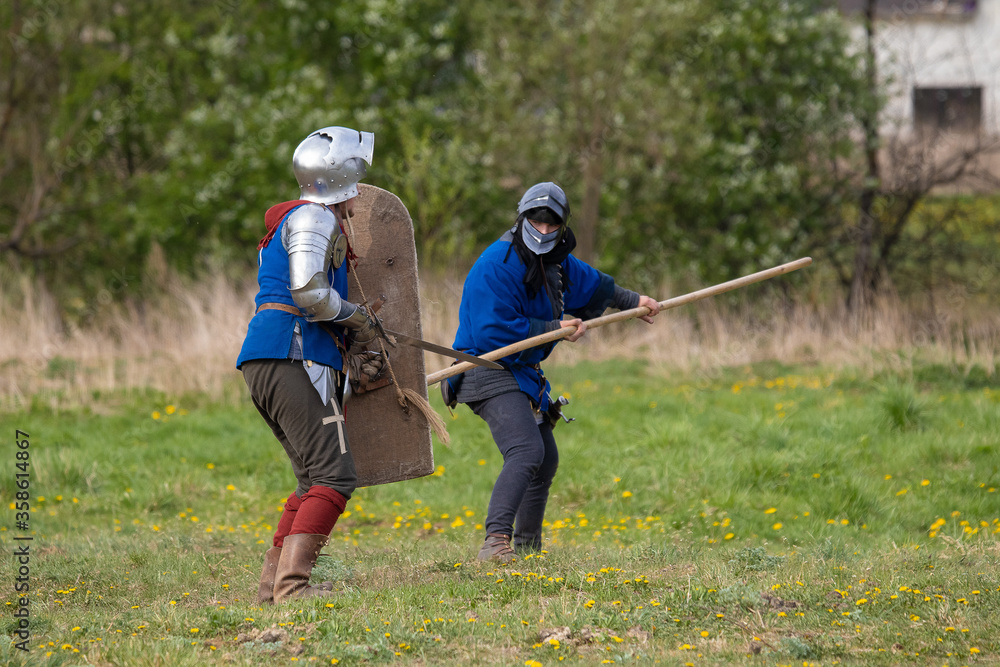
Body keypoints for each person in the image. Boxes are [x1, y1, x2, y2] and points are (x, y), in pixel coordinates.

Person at [447, 182, 660, 563]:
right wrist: (554, 329)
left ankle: (528, 551)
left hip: (520, 371)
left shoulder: (556, 261)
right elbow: (492, 332)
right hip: (483, 366)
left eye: (552, 223)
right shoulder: (496, 265)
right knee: (526, 449)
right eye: (537, 221)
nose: (543, 230)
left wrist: (636, 301)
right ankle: (495, 543)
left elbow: (592, 286)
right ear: (522, 217)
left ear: (562, 225)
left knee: (545, 458)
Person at [237, 126, 380, 603]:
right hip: (291, 352)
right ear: (339, 180)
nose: (359, 194)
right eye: (356, 182)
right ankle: (293, 589)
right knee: (335, 477)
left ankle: (271, 589)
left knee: (313, 478)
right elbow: (310, 294)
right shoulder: (315, 217)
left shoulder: (294, 220)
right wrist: (361, 320)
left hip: (272, 355)